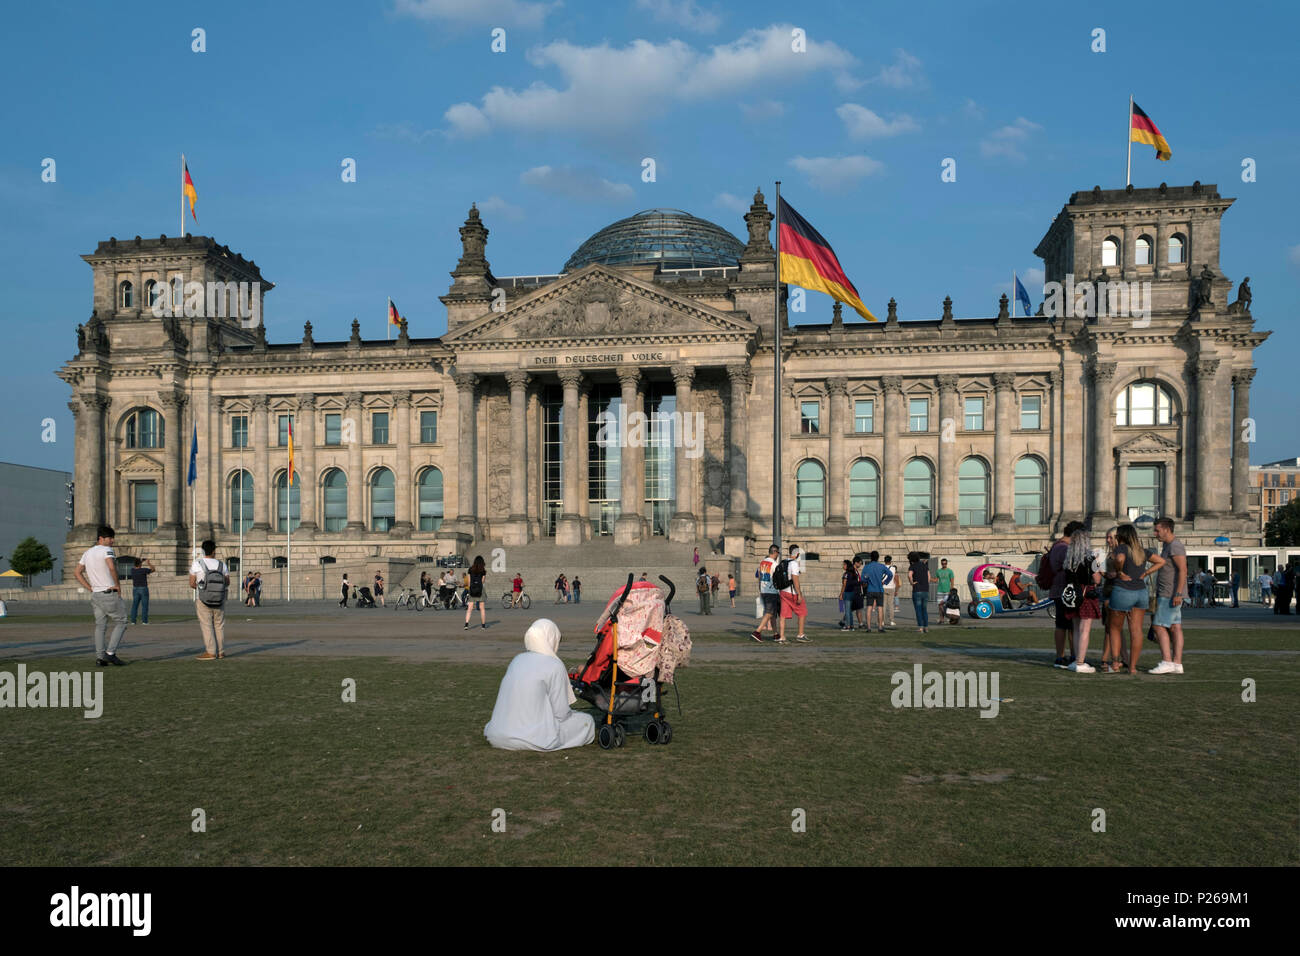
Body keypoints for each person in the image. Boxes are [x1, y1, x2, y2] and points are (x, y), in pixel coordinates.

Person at [483, 619, 594, 751]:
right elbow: (561, 714)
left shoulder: (517, 659)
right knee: (587, 721)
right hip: (534, 738)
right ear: (551, 639)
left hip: (498, 735)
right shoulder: (554, 665)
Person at [1107, 523, 1165, 674]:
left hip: (1123, 591)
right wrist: (1146, 573)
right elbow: (1161, 561)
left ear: (1122, 536)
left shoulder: (1121, 548)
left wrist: (1119, 572)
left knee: (1115, 628)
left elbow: (1119, 559)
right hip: (1140, 592)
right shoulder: (1141, 551)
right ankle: (1132, 667)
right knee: (1136, 631)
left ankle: (1115, 662)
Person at [73, 525, 128, 666]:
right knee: (121, 621)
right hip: (108, 592)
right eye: (110, 538)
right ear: (101, 538)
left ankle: (100, 657)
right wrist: (118, 585)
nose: (112, 541)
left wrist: (90, 588)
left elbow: (77, 572)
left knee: (100, 626)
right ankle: (110, 653)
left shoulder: (87, 552)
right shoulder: (107, 550)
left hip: (96, 594)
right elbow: (111, 567)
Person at [1149, 517, 1188, 675]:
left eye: (1157, 530)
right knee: (1175, 627)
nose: (1155, 533)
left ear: (1167, 529)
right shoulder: (1167, 546)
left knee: (1158, 626)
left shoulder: (1175, 546)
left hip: (1170, 593)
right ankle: (1177, 663)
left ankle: (1167, 661)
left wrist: (1178, 593)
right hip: (1169, 592)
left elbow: (1183, 570)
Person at [1060, 526, 1102, 672]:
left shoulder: (1069, 560)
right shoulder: (1090, 558)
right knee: (1085, 629)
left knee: (1076, 629)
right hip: (1086, 594)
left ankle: (1077, 660)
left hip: (1073, 595)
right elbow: (1097, 579)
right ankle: (1080, 662)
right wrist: (1098, 563)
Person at [189, 539, 230, 660]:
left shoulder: (197, 563)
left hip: (203, 599)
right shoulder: (222, 565)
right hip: (219, 599)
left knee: (207, 625)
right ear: (214, 551)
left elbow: (192, 583)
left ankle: (211, 652)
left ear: (203, 551)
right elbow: (227, 582)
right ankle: (221, 651)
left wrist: (203, 588)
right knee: (219, 625)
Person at [1046, 523, 1081, 666]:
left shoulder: (1056, 546)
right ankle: (1070, 655)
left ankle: (1061, 655)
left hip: (1057, 589)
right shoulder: (1065, 548)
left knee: (1062, 624)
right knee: (1068, 624)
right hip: (1065, 590)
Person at [779, 544, 809, 643]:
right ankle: (800, 634)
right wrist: (799, 593)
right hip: (792, 593)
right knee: (802, 611)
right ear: (797, 554)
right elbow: (795, 579)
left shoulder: (783, 562)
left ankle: (782, 637)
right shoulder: (794, 564)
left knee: (783, 615)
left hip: (783, 591)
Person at [751, 545, 781, 642]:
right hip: (771, 591)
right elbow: (777, 579)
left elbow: (759, 576)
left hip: (764, 590)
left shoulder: (762, 562)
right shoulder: (774, 564)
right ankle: (757, 632)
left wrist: (760, 588)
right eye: (778, 553)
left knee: (773, 614)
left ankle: (776, 634)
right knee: (769, 613)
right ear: (775, 552)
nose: (778, 555)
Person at [862, 550, 889, 634]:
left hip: (870, 589)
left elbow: (863, 578)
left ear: (870, 558)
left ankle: (869, 627)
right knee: (880, 608)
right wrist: (885, 582)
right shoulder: (881, 566)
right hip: (879, 590)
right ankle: (880, 627)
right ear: (878, 557)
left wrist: (867, 580)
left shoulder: (867, 567)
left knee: (869, 608)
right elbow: (890, 574)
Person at [907, 551, 934, 634]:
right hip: (925, 590)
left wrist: (912, 583)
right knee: (924, 609)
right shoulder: (925, 565)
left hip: (917, 590)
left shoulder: (912, 566)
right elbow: (929, 577)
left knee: (918, 610)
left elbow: (909, 575)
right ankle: (926, 627)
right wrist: (925, 583)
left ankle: (920, 628)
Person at [128, 556, 154, 624]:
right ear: (140, 564)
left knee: (135, 605)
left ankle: (133, 621)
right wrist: (149, 563)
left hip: (135, 589)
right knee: (144, 606)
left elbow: (136, 565)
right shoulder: (143, 570)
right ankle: (144, 621)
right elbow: (153, 569)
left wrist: (140, 561)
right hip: (143, 588)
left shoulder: (132, 570)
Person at [465, 555, 488, 629]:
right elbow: (483, 581)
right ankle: (483, 626)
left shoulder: (470, 569)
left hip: (472, 589)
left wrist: (469, 589)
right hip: (480, 589)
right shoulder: (483, 570)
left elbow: (469, 581)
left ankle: (466, 624)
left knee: (470, 608)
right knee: (482, 608)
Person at [838, 559, 856, 630]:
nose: (843, 566)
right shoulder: (853, 573)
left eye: (844, 564)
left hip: (847, 592)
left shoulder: (846, 574)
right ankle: (851, 625)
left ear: (847, 565)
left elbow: (844, 585)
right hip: (853, 592)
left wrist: (841, 594)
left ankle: (848, 626)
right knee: (850, 610)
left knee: (847, 610)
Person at [882, 554, 898, 628]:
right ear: (890, 561)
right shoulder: (893, 568)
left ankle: (882, 621)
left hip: (883, 587)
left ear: (884, 561)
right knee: (891, 605)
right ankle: (891, 620)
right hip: (891, 587)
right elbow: (894, 578)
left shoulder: (882, 568)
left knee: (883, 605)